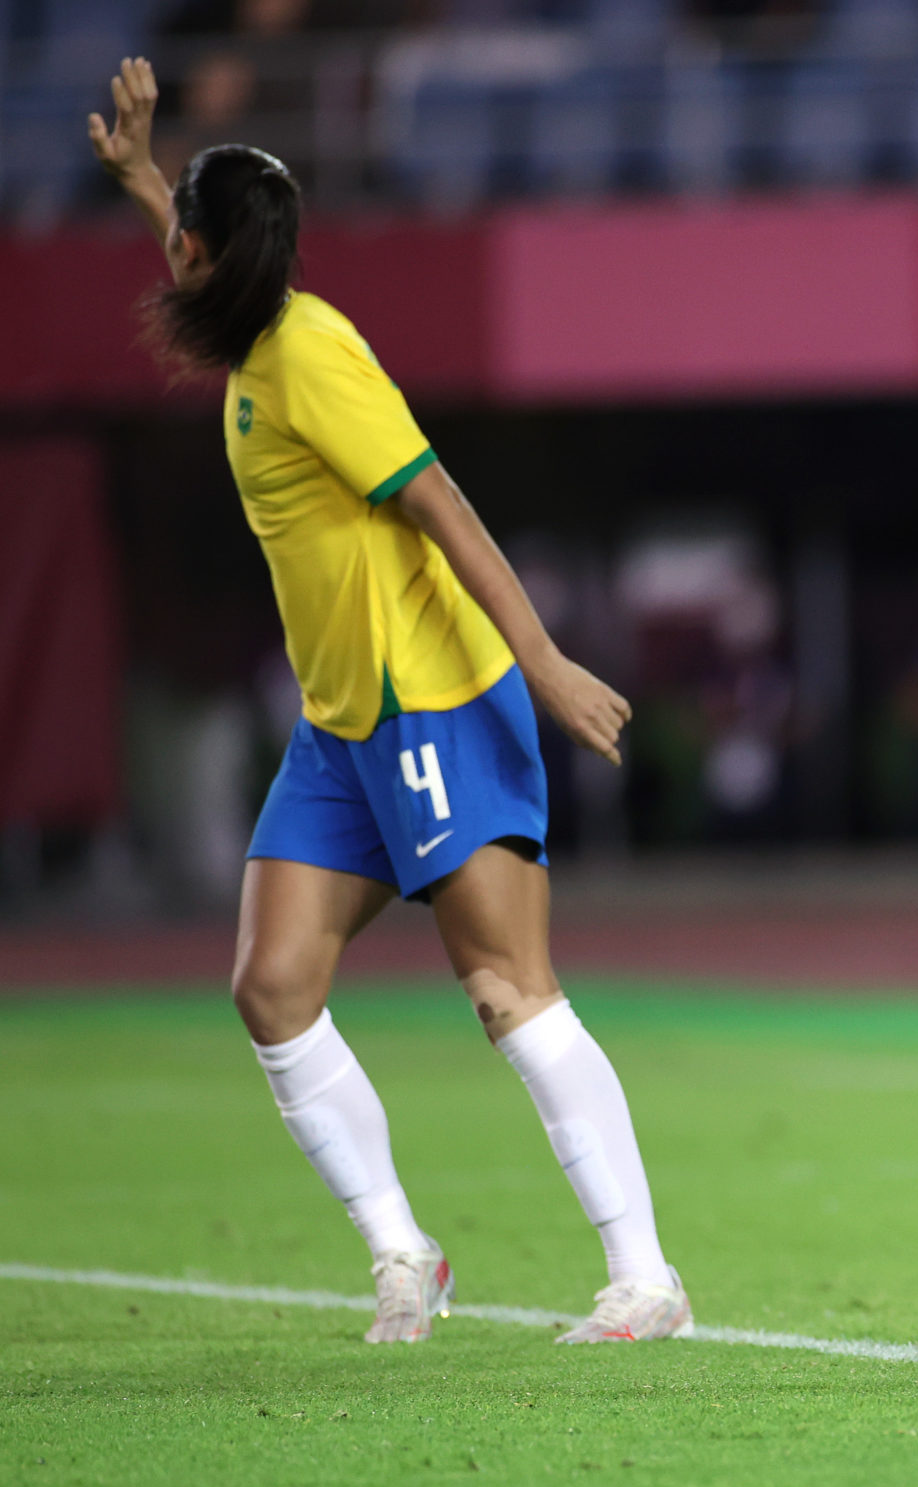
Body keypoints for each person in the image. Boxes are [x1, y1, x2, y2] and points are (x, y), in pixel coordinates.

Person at [89, 59, 691, 1346]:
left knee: (505, 988)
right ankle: (403, 1253)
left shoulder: (309, 359)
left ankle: (646, 1277)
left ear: (205, 253)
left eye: (176, 238)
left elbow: (442, 504)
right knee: (271, 987)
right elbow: (210, 275)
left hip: (433, 703)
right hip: (342, 723)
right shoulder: (254, 326)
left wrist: (542, 661)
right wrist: (146, 180)